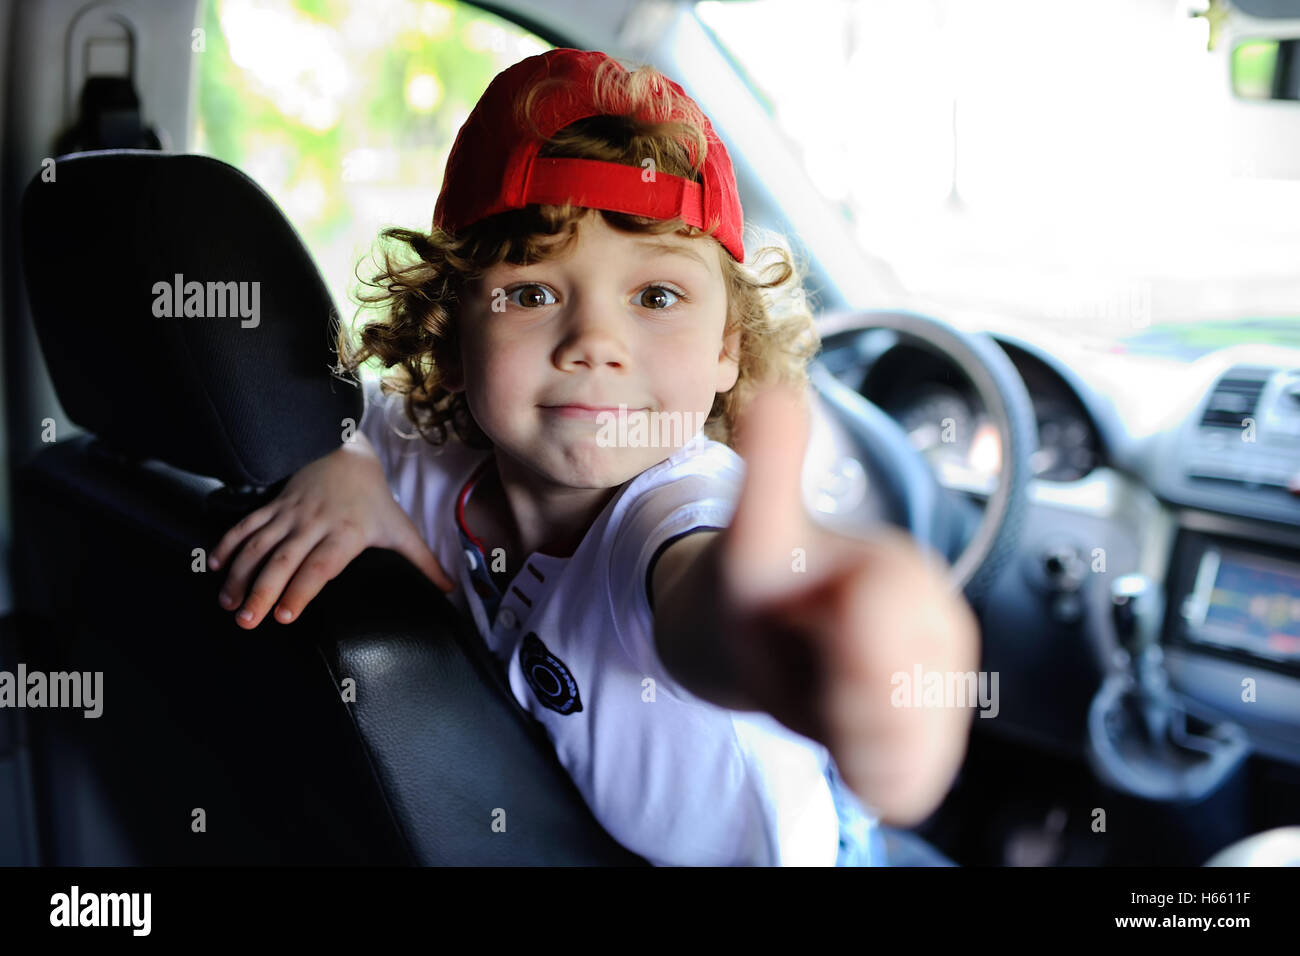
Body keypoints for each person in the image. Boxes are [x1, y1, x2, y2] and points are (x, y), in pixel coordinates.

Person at [207, 48, 976, 866]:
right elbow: (365, 423)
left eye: (656, 296)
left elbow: (696, 593)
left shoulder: (675, 511)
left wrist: (766, 641)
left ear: (726, 345)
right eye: (532, 293)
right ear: (452, 334)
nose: (595, 343)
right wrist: (343, 466)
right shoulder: (430, 454)